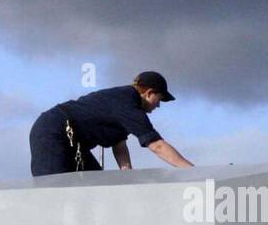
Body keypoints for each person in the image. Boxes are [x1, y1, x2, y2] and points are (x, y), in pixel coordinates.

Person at [29, 71, 194, 176]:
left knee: (95, 185)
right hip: (53, 132)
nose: (158, 105)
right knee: (52, 190)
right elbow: (156, 145)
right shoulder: (128, 103)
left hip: (71, 139)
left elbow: (119, 145)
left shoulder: (123, 103)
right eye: (160, 99)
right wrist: (193, 172)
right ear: (149, 93)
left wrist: (127, 174)